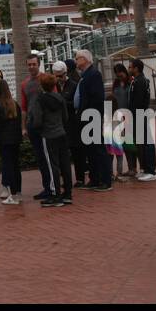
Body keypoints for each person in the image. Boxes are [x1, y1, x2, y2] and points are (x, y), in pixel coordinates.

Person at [75, 50, 113, 191]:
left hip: (93, 116)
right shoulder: (85, 75)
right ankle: (95, 179)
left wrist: (89, 114)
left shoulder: (94, 74)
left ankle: (105, 180)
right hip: (87, 117)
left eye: (78, 58)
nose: (76, 60)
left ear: (85, 59)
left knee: (98, 148)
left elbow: (96, 97)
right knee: (90, 150)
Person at [34, 71, 73, 207]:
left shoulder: (40, 100)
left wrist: (39, 128)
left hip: (48, 135)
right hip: (61, 133)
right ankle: (67, 193)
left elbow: (37, 120)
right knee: (65, 163)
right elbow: (65, 117)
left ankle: (55, 195)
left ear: (42, 85)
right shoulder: (60, 98)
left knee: (52, 165)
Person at [0, 77, 23, 204]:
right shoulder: (15, 104)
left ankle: (13, 195)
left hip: (4, 140)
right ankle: (18, 192)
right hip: (16, 139)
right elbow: (19, 121)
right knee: (15, 165)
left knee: (8, 166)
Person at [19, 55, 44, 199]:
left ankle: (52, 186)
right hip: (32, 125)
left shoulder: (46, 79)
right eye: (29, 65)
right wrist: (23, 127)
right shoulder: (25, 84)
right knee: (40, 158)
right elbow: (24, 107)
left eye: (34, 64)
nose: (31, 67)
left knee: (49, 157)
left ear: (39, 64)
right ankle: (47, 186)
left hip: (46, 125)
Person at [128, 58, 156, 181]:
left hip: (140, 115)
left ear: (136, 68)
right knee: (143, 142)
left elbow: (138, 102)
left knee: (147, 142)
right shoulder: (138, 80)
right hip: (138, 115)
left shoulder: (140, 81)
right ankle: (146, 169)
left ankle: (151, 171)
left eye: (130, 67)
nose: (129, 69)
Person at [110, 63, 131, 181]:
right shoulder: (116, 84)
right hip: (116, 117)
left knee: (127, 145)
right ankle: (118, 172)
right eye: (117, 73)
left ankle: (130, 167)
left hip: (127, 116)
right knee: (117, 145)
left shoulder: (129, 83)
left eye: (120, 72)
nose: (119, 75)